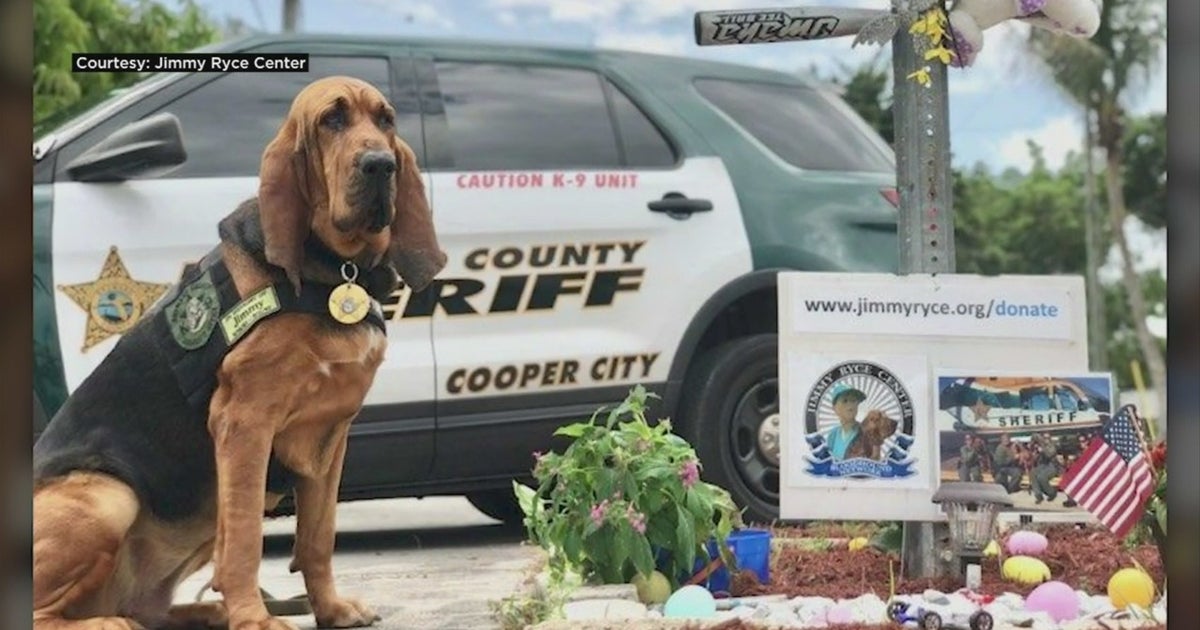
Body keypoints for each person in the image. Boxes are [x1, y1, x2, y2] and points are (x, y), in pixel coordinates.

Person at [825, 383, 866, 460]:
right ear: (835, 408)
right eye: (845, 401)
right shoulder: (833, 435)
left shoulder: (866, 432)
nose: (850, 405)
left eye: (853, 400)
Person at [1031, 432, 1062, 504]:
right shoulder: (1041, 446)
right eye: (1044, 438)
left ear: (1050, 439)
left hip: (1053, 466)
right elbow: (1036, 460)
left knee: (1041, 477)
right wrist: (1036, 452)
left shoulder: (1052, 446)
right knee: (1033, 473)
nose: (1046, 440)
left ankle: (1051, 493)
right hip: (1043, 465)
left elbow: (1049, 455)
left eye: (1048, 438)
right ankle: (1038, 495)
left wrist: (1042, 449)